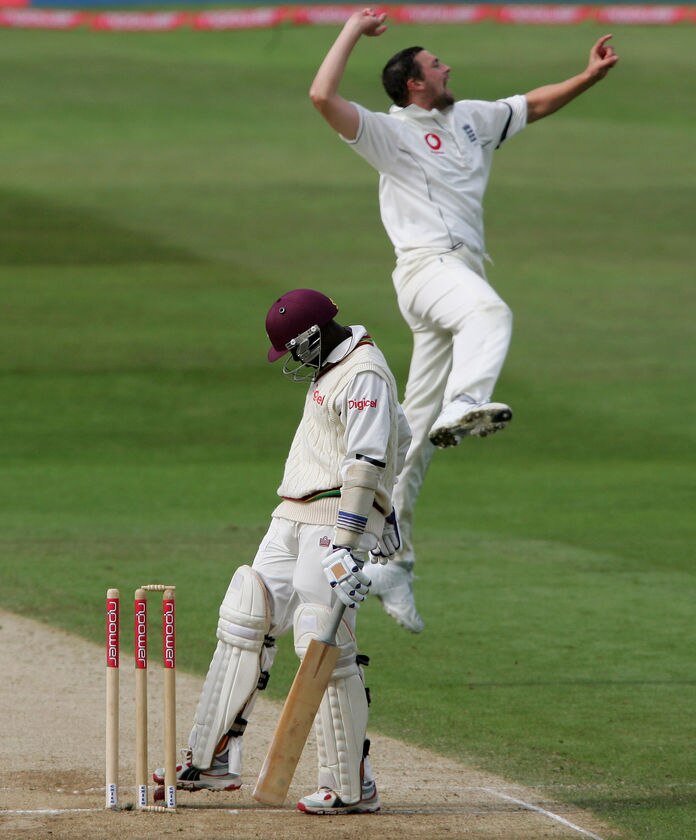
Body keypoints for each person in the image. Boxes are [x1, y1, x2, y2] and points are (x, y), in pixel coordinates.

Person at [309, 9, 619, 633]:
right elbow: (322, 95)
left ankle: (392, 563)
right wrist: (351, 28)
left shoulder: (472, 118)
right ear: (414, 84)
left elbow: (532, 104)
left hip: (459, 273)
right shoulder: (387, 132)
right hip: (429, 272)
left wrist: (588, 76)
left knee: (411, 435)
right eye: (435, 64)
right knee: (489, 310)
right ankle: (469, 399)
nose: (448, 67)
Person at [153, 288, 411, 814]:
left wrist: (351, 538)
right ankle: (213, 756)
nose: (293, 360)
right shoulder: (336, 367)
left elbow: (366, 459)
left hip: (334, 517)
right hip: (293, 511)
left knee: (322, 637)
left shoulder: (364, 372)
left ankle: (350, 784)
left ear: (314, 335)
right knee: (246, 616)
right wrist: (388, 517)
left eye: (294, 348)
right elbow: (400, 434)